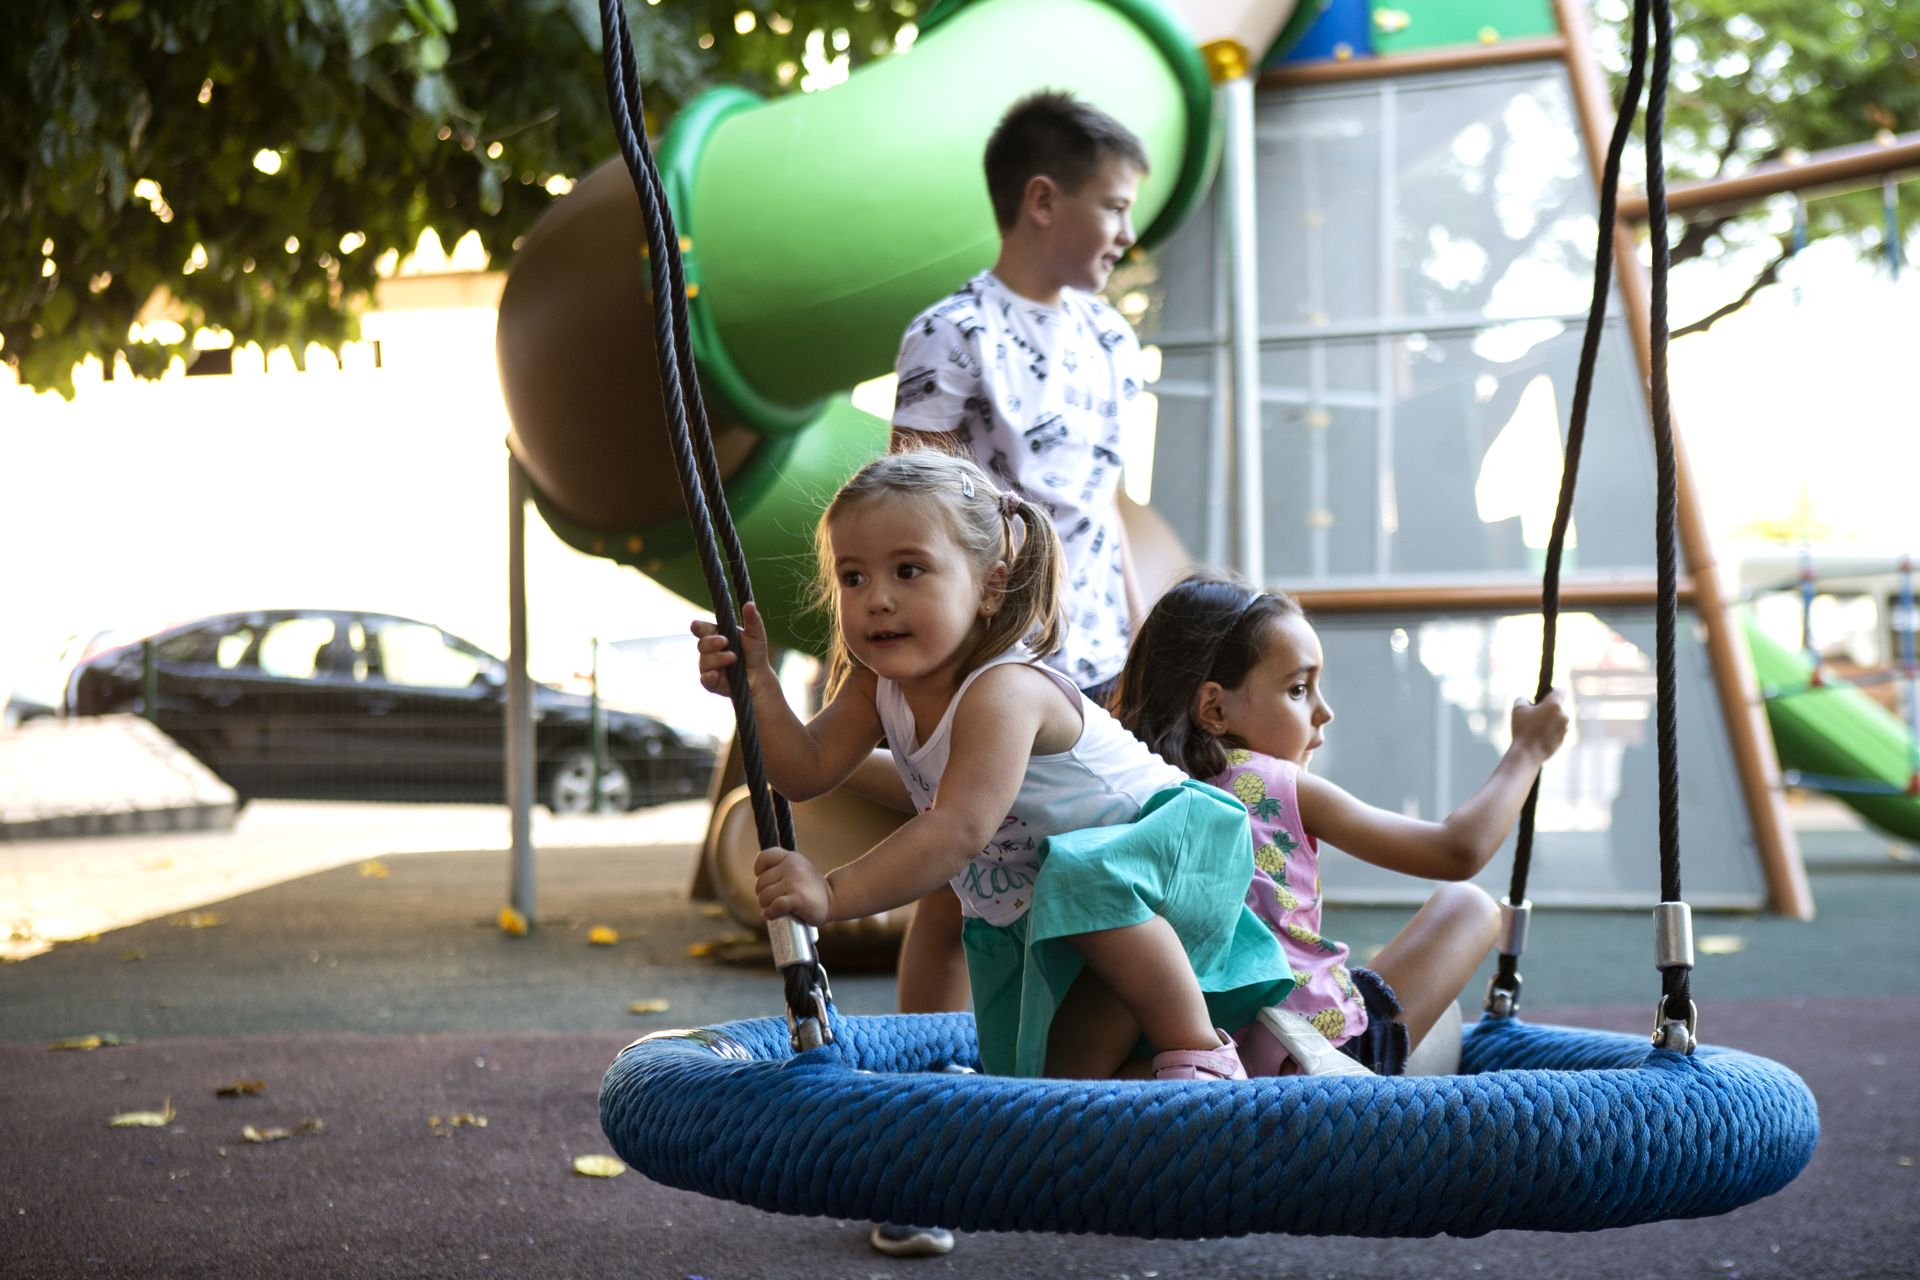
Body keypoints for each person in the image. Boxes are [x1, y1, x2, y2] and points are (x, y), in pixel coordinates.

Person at [692, 452, 1295, 1087]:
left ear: (990, 586)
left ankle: (1199, 1053)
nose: (878, 600)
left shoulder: (1003, 691)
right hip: (1070, 902)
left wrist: (833, 894)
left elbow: (956, 829)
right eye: (853, 577)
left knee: (1085, 878)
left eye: (908, 570)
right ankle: (1215, 1087)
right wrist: (757, 688)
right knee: (1055, 1080)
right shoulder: (877, 687)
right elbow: (804, 771)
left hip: (1167, 856)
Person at [1112, 574, 1572, 1078]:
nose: (1325, 712)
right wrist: (1528, 750)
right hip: (1322, 1057)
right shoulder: (1268, 783)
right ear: (1215, 709)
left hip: (1220, 1060)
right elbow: (1457, 849)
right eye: (1298, 689)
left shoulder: (1143, 791)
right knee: (1469, 907)